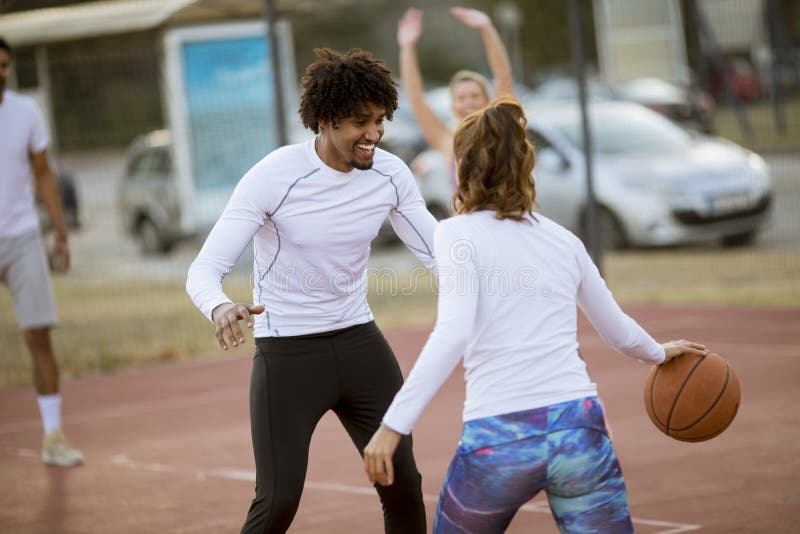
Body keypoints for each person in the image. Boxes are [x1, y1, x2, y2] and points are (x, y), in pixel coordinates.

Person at [363, 97, 708, 533]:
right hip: (579, 428)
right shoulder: (564, 240)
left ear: (463, 169)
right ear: (526, 165)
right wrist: (659, 352)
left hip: (500, 438)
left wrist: (393, 426)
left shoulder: (454, 234)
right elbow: (617, 330)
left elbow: (453, 332)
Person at [186, 48, 438, 533]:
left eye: (380, 120)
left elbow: (438, 254)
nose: (374, 135)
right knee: (279, 501)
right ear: (323, 120)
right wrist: (219, 306)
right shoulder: (273, 177)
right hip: (288, 355)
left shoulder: (391, 175)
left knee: (403, 484)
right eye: (359, 123)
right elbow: (205, 269)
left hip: (360, 343)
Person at [0, 37, 83, 467]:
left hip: (21, 236)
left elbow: (43, 173)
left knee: (39, 334)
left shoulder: (25, 112)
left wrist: (60, 232)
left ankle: (53, 436)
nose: (1, 71)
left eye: (5, 65)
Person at [397, 6, 514, 180]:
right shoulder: (447, 140)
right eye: (461, 98)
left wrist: (487, 28)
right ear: (453, 106)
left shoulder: (500, 131)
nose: (468, 103)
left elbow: (503, 77)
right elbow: (416, 98)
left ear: (488, 101)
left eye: (475, 96)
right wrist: (407, 47)